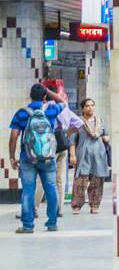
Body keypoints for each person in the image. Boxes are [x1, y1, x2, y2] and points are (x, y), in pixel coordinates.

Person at [8, 83, 63, 233]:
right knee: (51, 187)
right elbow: (63, 102)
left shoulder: (21, 113)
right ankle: (52, 223)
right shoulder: (51, 109)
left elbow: (13, 136)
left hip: (27, 157)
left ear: (30, 96)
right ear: (45, 96)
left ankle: (27, 225)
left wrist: (12, 157)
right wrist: (48, 92)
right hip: (47, 156)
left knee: (28, 190)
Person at [34, 85, 82, 212]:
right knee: (60, 179)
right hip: (63, 146)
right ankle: (59, 209)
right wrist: (66, 133)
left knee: (43, 178)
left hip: (49, 146)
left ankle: (34, 207)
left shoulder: (47, 107)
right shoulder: (65, 109)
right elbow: (79, 123)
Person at [69, 98, 110, 214]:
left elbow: (106, 135)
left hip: (98, 155)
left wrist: (106, 138)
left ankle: (95, 205)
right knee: (80, 182)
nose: (90, 107)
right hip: (83, 156)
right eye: (87, 106)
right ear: (82, 108)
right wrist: (72, 155)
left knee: (97, 181)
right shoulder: (77, 122)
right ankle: (76, 206)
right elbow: (72, 141)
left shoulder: (100, 121)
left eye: (92, 105)